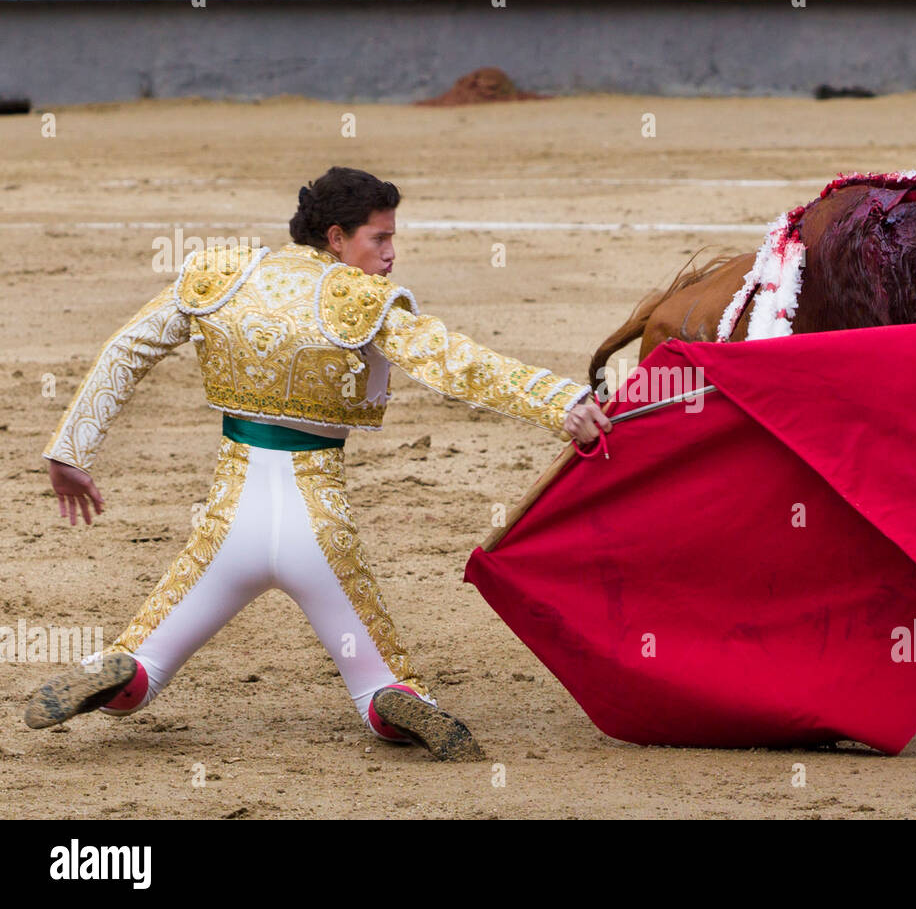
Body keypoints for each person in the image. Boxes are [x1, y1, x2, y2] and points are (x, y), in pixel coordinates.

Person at [25, 166, 612, 761]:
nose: (390, 254)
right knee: (378, 677)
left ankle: (119, 673)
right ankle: (395, 701)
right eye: (378, 239)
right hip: (318, 528)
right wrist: (560, 402)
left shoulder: (222, 276)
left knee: (145, 660)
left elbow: (127, 349)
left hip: (228, 524)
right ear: (336, 238)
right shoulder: (362, 303)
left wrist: (70, 452)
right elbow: (454, 362)